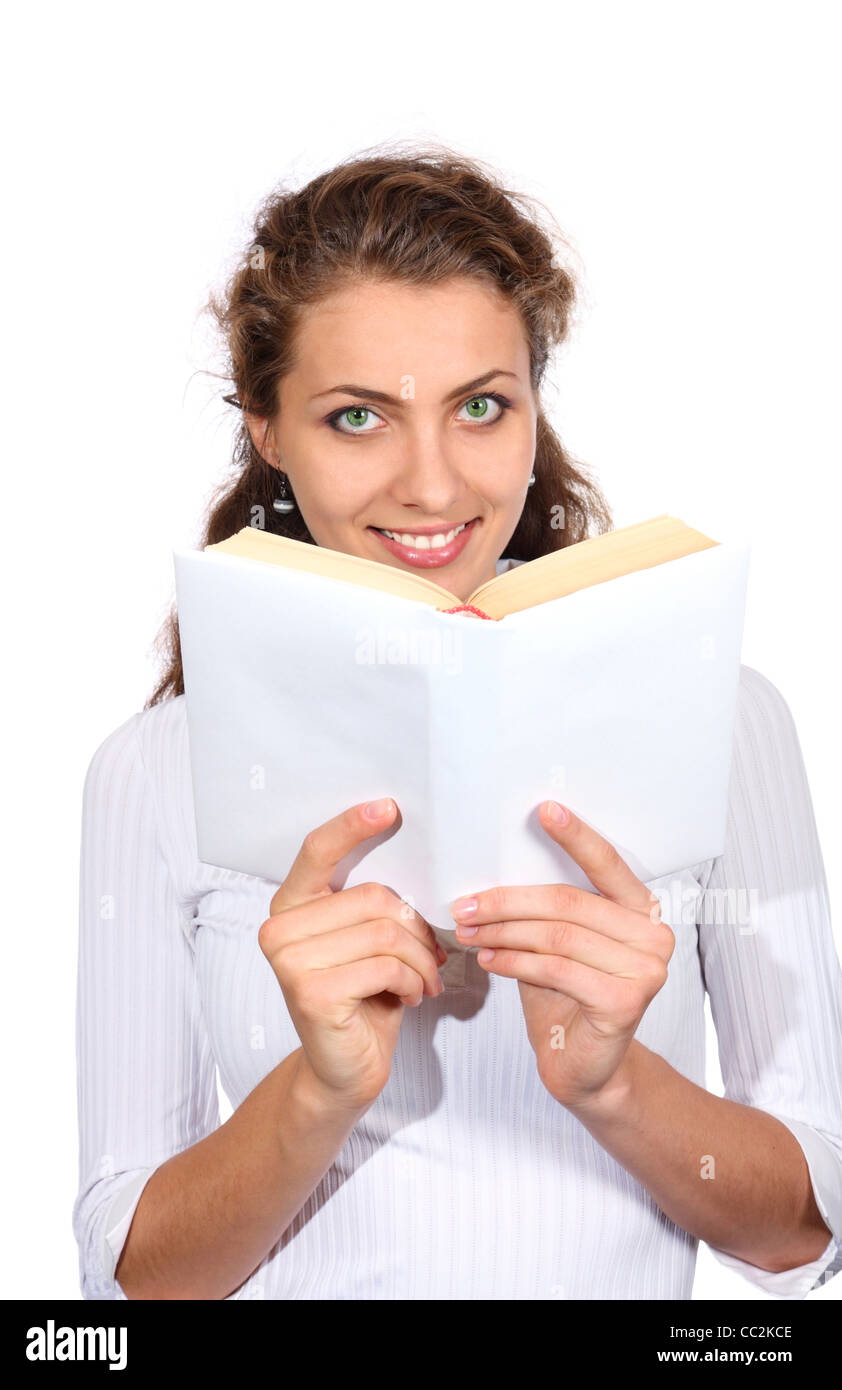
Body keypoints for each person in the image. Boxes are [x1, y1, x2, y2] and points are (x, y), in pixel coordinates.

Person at [73, 143, 842, 1301]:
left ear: (534, 404)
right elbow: (131, 1283)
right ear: (267, 430)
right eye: (357, 418)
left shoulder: (726, 721)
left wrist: (611, 1084)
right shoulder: (152, 770)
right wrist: (319, 1090)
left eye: (480, 406)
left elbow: (803, 1228)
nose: (432, 487)